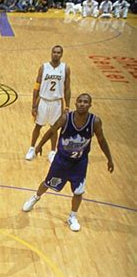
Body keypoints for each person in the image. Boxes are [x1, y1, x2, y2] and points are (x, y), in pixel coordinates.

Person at [22, 93, 115, 232]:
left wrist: (109, 158)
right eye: (80, 101)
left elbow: (102, 140)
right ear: (76, 104)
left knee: (78, 191)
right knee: (48, 183)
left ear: (90, 105)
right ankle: (35, 197)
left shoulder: (95, 121)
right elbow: (51, 131)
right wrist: (39, 145)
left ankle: (72, 216)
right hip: (62, 160)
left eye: (85, 102)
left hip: (79, 163)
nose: (82, 104)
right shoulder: (66, 118)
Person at [25, 46, 71, 164]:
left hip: (56, 102)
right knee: (38, 126)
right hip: (43, 101)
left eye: (58, 53)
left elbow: (67, 88)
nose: (56, 54)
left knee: (54, 128)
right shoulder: (44, 67)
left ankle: (52, 152)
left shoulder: (65, 68)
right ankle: (32, 149)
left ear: (61, 54)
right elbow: (36, 87)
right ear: (51, 53)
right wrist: (33, 105)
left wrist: (67, 106)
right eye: (54, 52)